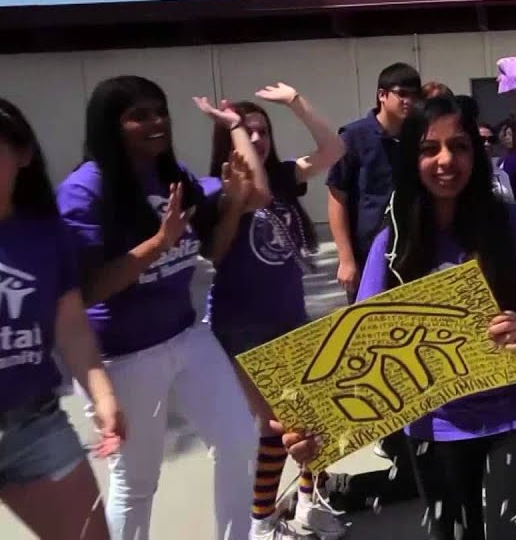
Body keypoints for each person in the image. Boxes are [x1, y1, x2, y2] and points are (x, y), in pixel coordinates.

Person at [348, 94, 516, 540]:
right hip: (434, 427)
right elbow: (359, 344)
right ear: (412, 158)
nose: (446, 160)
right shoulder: (391, 244)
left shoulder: (513, 225)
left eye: (460, 146)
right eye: (429, 149)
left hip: (515, 416)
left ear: (476, 154)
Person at [56, 77, 258, 540]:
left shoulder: (173, 174)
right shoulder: (84, 192)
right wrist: (158, 242)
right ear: (111, 126)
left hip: (188, 336)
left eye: (160, 110)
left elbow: (211, 253)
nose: (156, 122)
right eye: (139, 115)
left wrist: (232, 205)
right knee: (138, 482)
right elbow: (86, 291)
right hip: (123, 356)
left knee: (238, 442)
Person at [0, 96, 124, 540]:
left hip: (34, 426)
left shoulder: (47, 232)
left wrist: (102, 394)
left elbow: (71, 326)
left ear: (22, 155)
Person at [203, 84, 345, 540]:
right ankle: (262, 523)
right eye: (247, 132)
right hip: (243, 323)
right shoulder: (216, 189)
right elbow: (255, 195)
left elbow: (333, 149)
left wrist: (296, 102)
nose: (257, 140)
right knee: (277, 426)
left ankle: (308, 505)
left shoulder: (282, 175)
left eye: (262, 131)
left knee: (316, 416)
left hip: (289, 315)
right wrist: (236, 132)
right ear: (227, 140)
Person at [327, 62, 422, 301]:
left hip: (410, 253)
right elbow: (337, 197)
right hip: (366, 255)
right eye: (402, 94)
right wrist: (346, 259)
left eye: (414, 95)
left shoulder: (420, 136)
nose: (408, 101)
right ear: (382, 95)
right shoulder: (352, 137)